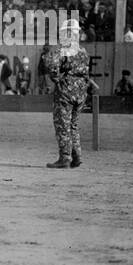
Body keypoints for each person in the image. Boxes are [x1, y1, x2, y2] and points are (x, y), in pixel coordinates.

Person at [43, 17, 96, 168]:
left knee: (62, 125)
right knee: (73, 125)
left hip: (66, 89)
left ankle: (65, 157)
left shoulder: (63, 49)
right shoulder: (83, 51)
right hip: (81, 90)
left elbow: (52, 65)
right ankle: (77, 156)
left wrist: (56, 79)